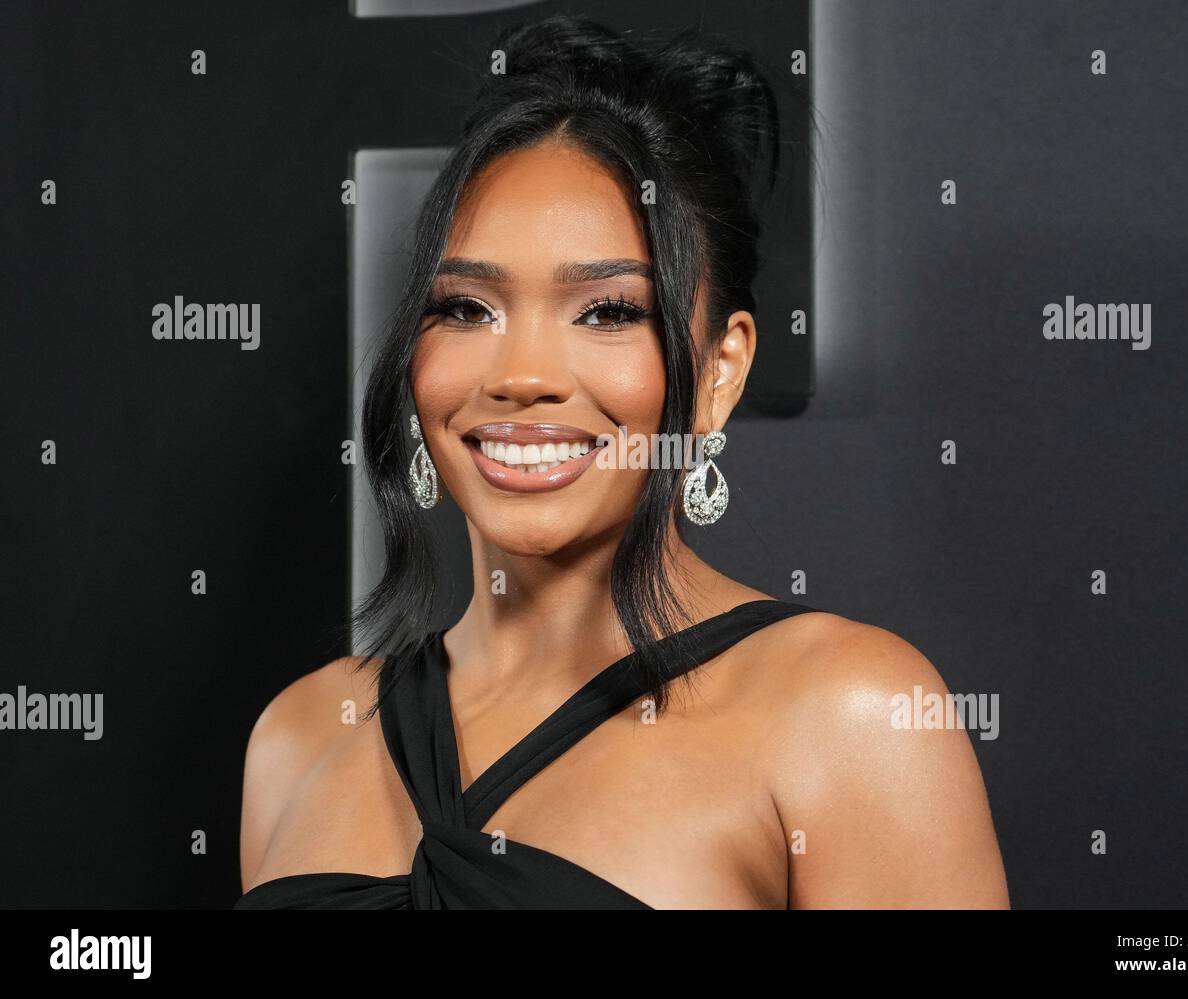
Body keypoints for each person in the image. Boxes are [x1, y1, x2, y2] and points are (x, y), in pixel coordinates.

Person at [236, 13, 1009, 909]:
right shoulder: (298, 737)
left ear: (720, 371)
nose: (522, 376)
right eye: (467, 308)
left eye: (606, 311)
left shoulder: (849, 717)